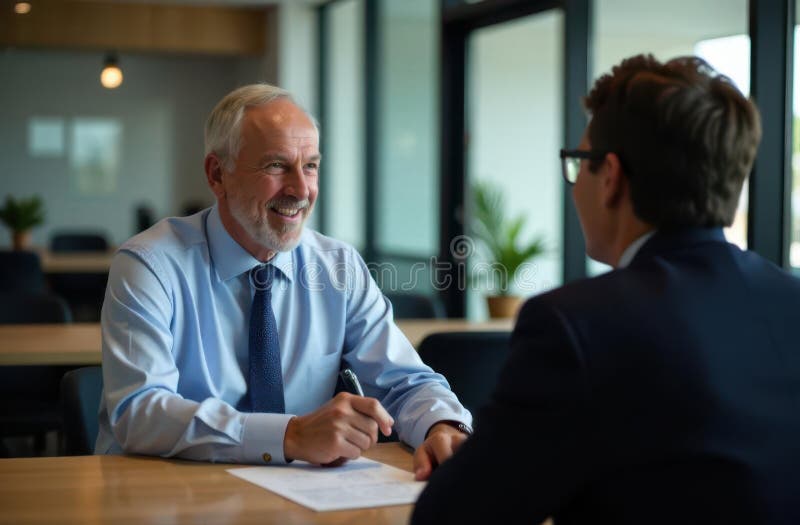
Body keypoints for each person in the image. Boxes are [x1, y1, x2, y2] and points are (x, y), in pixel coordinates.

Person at [412, 54, 800, 524]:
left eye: (579, 164)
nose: (574, 187)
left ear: (611, 177)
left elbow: (452, 516)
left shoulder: (578, 325)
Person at [96, 84, 471, 477]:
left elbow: (404, 382)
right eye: (276, 166)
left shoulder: (338, 266)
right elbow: (139, 411)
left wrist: (442, 424)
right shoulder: (149, 264)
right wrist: (288, 435)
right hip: (164, 490)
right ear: (217, 174)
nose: (301, 190)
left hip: (300, 493)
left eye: (310, 166)